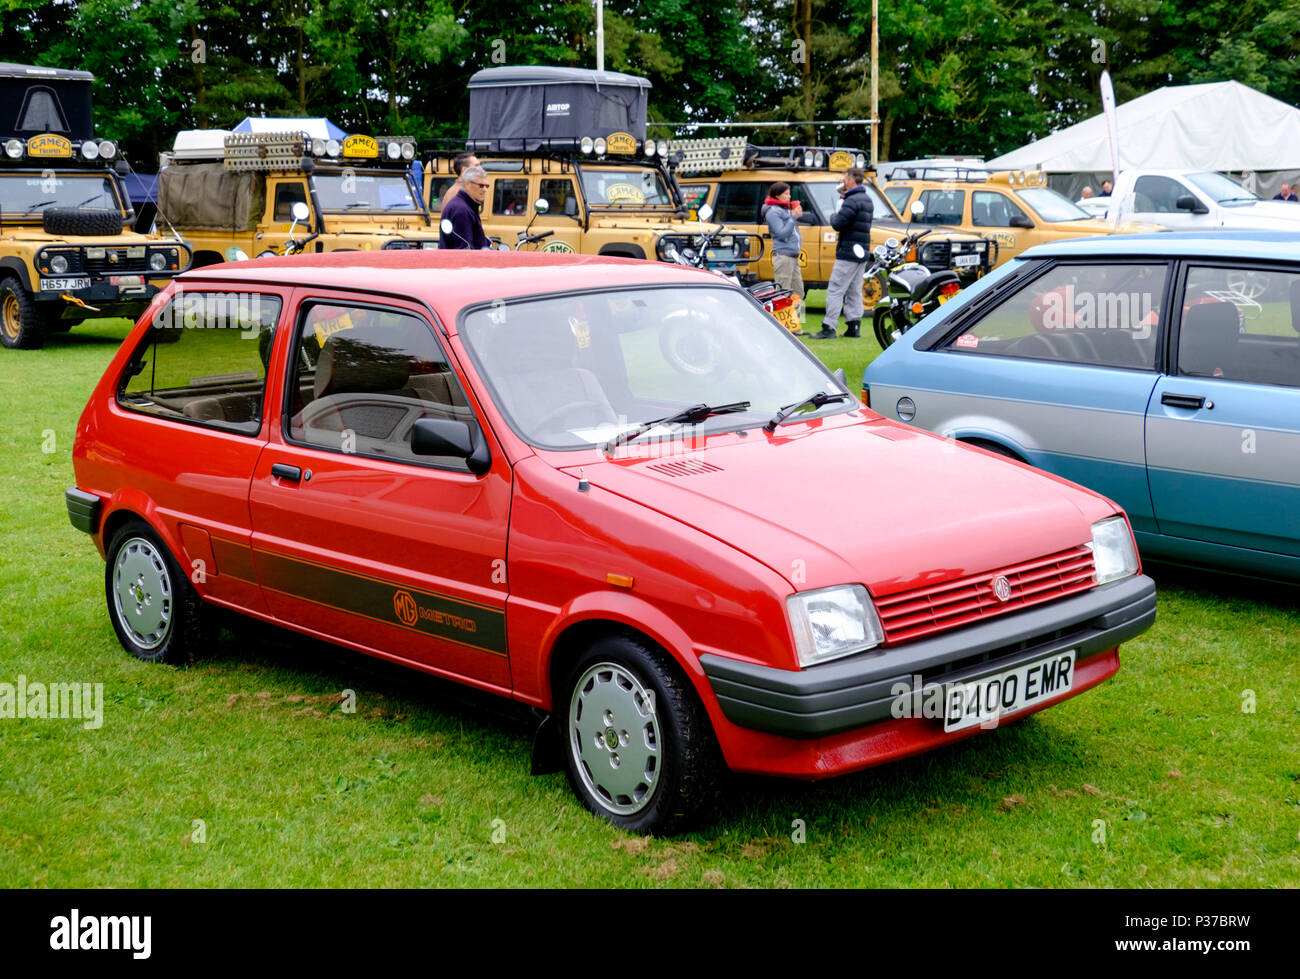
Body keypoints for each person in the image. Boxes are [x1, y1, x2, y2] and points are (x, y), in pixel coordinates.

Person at [811, 166, 872, 339]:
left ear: (852, 179)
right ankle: (854, 326)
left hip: (848, 251)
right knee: (854, 290)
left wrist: (833, 214)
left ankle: (829, 327)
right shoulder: (866, 198)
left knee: (836, 289)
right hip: (862, 250)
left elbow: (838, 223)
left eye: (845, 178)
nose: (843, 181)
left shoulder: (851, 201)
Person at [761, 181, 806, 333]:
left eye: (789, 193)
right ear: (777, 195)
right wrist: (793, 218)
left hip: (793, 256)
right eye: (786, 194)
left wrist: (794, 215)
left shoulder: (784, 210)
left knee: (798, 291)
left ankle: (793, 325)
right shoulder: (773, 211)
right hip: (783, 256)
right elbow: (781, 233)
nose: (789, 196)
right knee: (784, 292)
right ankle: (783, 328)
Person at [439, 165, 490, 249]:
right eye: (481, 185)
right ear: (467, 184)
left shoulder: (467, 206)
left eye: (487, 186)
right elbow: (464, 249)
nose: (485, 190)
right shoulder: (461, 210)